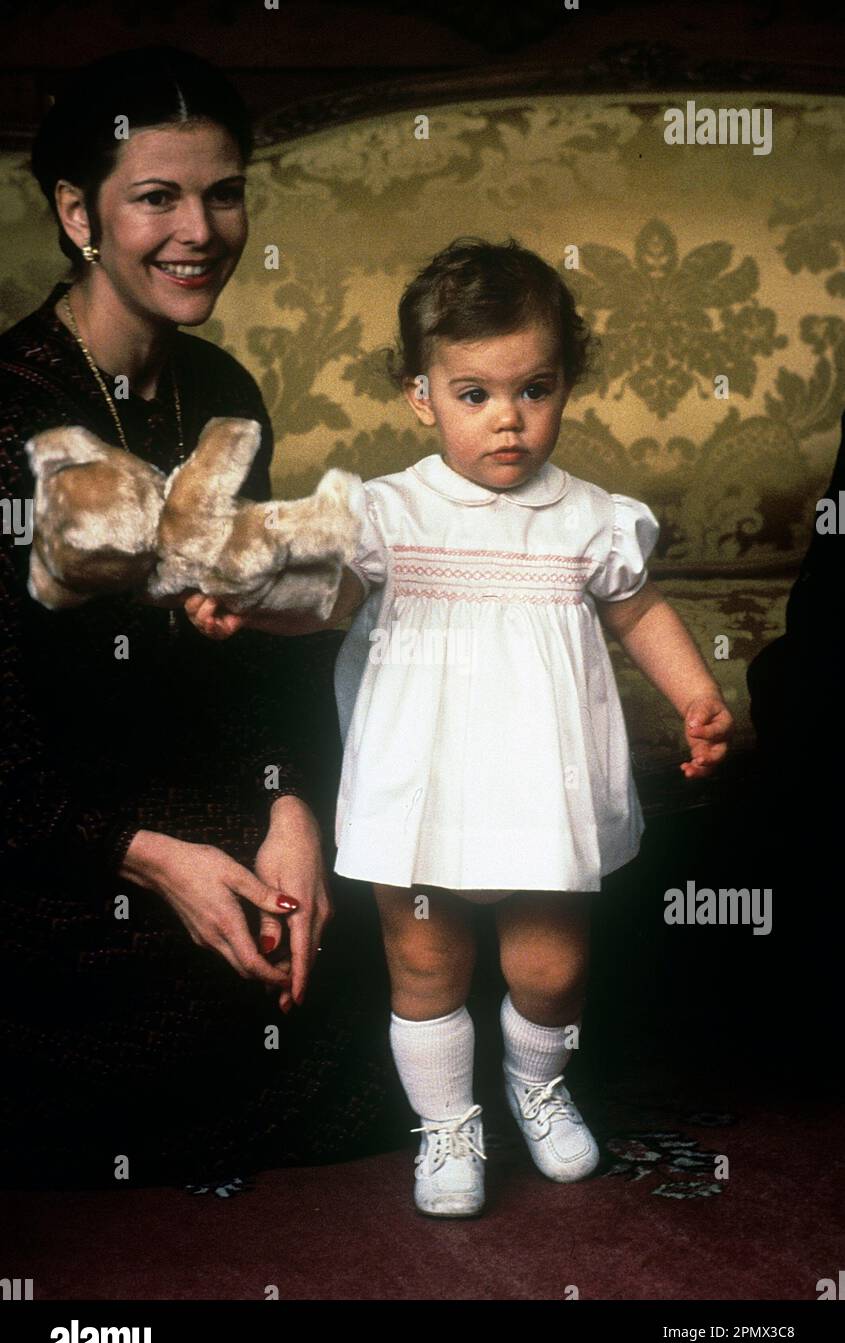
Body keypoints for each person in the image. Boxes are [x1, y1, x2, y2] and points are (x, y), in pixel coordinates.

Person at [188, 237, 734, 1217]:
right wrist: (247, 607)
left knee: (548, 963)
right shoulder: (390, 510)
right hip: (423, 779)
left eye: (535, 388)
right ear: (421, 395)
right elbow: (324, 597)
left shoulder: (589, 518)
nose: (510, 421)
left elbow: (638, 611)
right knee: (426, 960)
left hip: (543, 786)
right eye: (474, 394)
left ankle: (535, 1080)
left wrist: (695, 696)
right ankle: (444, 1125)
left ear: (567, 386)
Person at [0, 45, 395, 1189]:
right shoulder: (10, 410)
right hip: (56, 830)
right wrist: (151, 859)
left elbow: (263, 659)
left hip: (201, 790)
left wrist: (289, 812)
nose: (199, 230)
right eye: (156, 197)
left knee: (399, 919)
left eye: (222, 193)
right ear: (79, 213)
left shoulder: (222, 394)